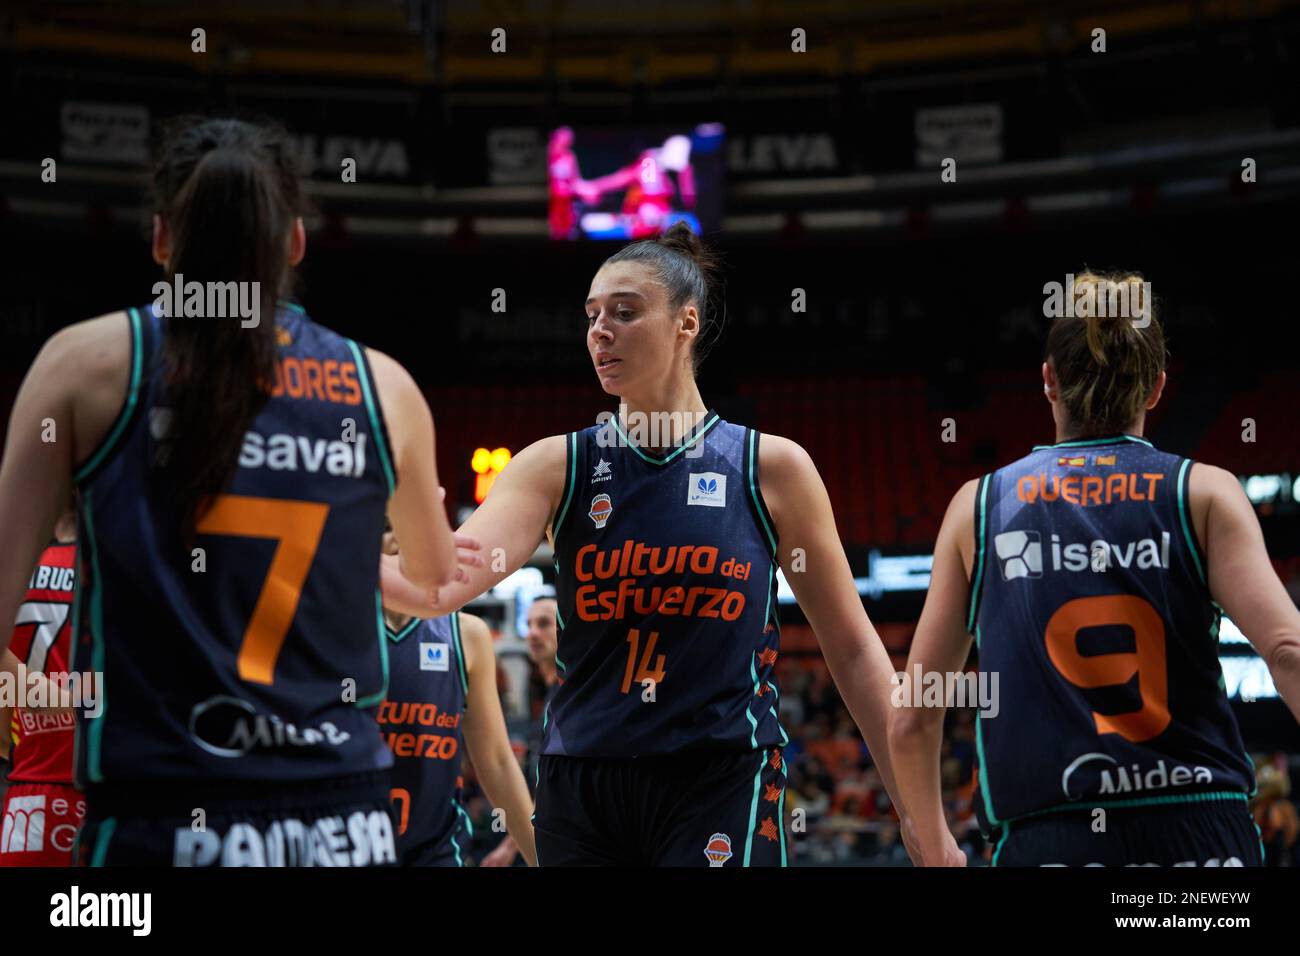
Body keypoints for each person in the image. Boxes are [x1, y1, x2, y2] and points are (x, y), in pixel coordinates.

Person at [0, 115, 460, 866]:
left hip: (157, 835)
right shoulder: (385, 387)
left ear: (160, 240)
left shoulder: (80, 366)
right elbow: (435, 581)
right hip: (346, 835)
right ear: (295, 245)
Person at [383, 223, 910, 866]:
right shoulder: (555, 466)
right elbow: (441, 588)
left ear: (687, 322)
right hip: (582, 782)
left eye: (624, 313)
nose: (598, 331)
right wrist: (346, 545)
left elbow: (855, 651)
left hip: (719, 776)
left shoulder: (770, 467)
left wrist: (915, 808)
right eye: (591, 315)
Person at [890, 271, 1300, 867]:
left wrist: (936, 849)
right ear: (1156, 388)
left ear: (1049, 380)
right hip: (1200, 836)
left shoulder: (979, 507)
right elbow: (1287, 649)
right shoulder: (1204, 492)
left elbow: (915, 716)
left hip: (1047, 839)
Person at [379, 520, 536, 866]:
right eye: (386, 527)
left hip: (437, 850)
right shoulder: (337, 624)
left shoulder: (466, 634)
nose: (401, 538)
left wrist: (541, 858)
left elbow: (495, 761)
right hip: (351, 840)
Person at [0, 507, 83, 865]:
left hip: (30, 803)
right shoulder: (132, 559)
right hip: (119, 793)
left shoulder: (13, 568)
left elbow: (3, 735)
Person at [480, 594, 559, 866]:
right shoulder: (549, 693)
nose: (533, 633)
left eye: (544, 624)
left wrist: (509, 847)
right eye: (529, 624)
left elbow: (555, 789)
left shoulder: (571, 695)